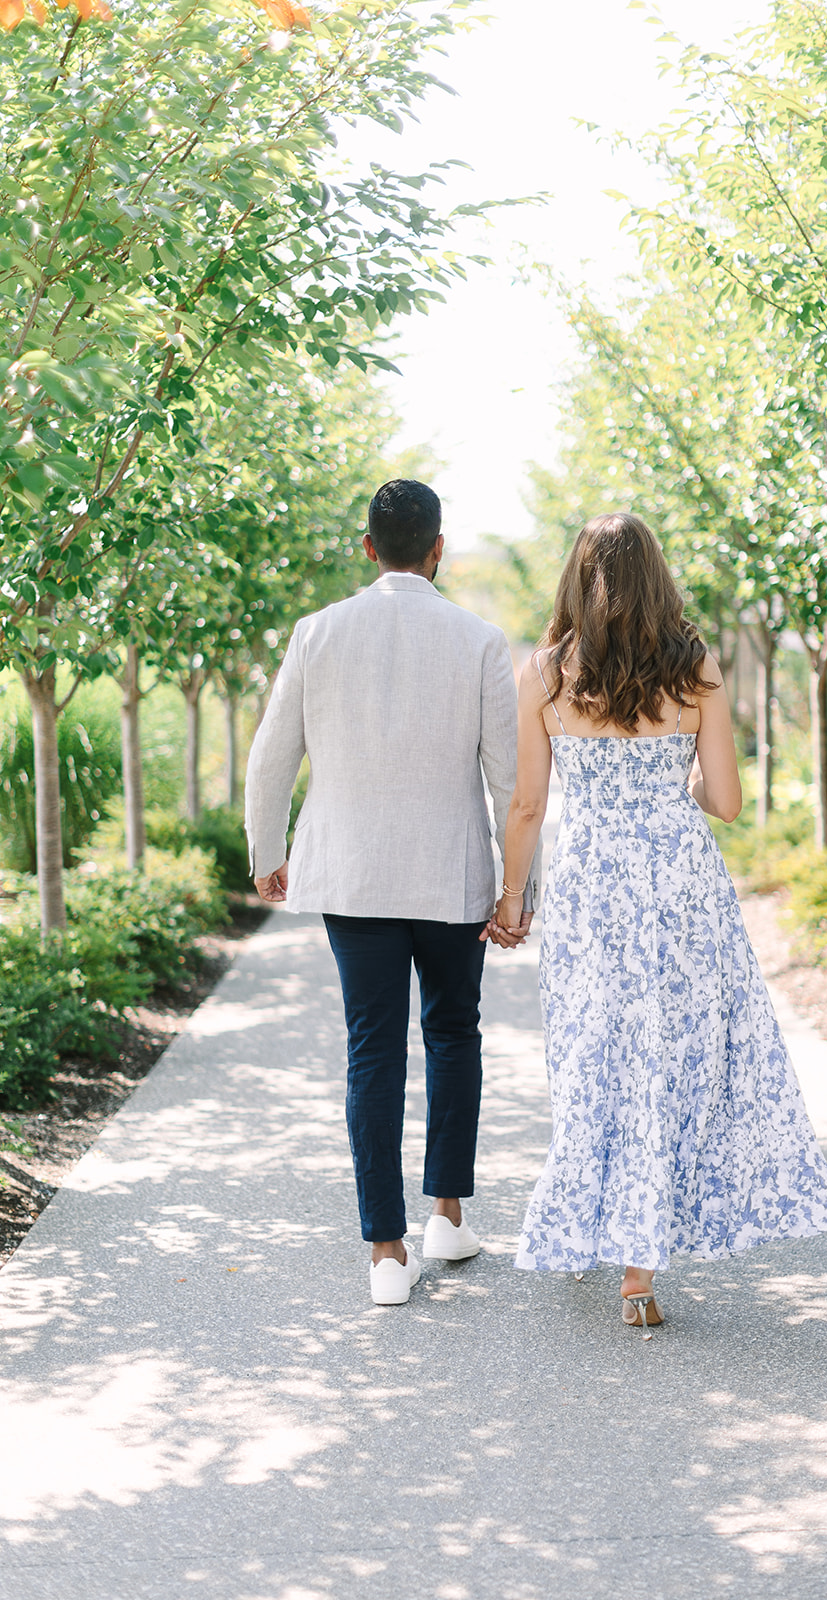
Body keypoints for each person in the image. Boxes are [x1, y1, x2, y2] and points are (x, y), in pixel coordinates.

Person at [491, 512, 827, 1337]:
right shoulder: (694, 668)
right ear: (657, 578)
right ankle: (638, 1274)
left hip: (589, 886)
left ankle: (593, 1223)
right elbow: (723, 799)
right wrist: (664, 794)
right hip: (680, 881)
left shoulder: (544, 673)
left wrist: (512, 897)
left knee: (595, 1052)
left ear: (575, 581)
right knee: (671, 1057)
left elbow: (526, 804)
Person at [245, 480, 537, 1308]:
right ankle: (445, 1213)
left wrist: (268, 850)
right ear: (438, 547)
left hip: (354, 873)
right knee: (453, 1032)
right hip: (451, 874)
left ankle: (385, 1251)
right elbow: (509, 779)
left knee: (371, 1049)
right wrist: (518, 890)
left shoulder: (317, 632)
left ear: (367, 547)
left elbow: (272, 753)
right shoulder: (481, 640)